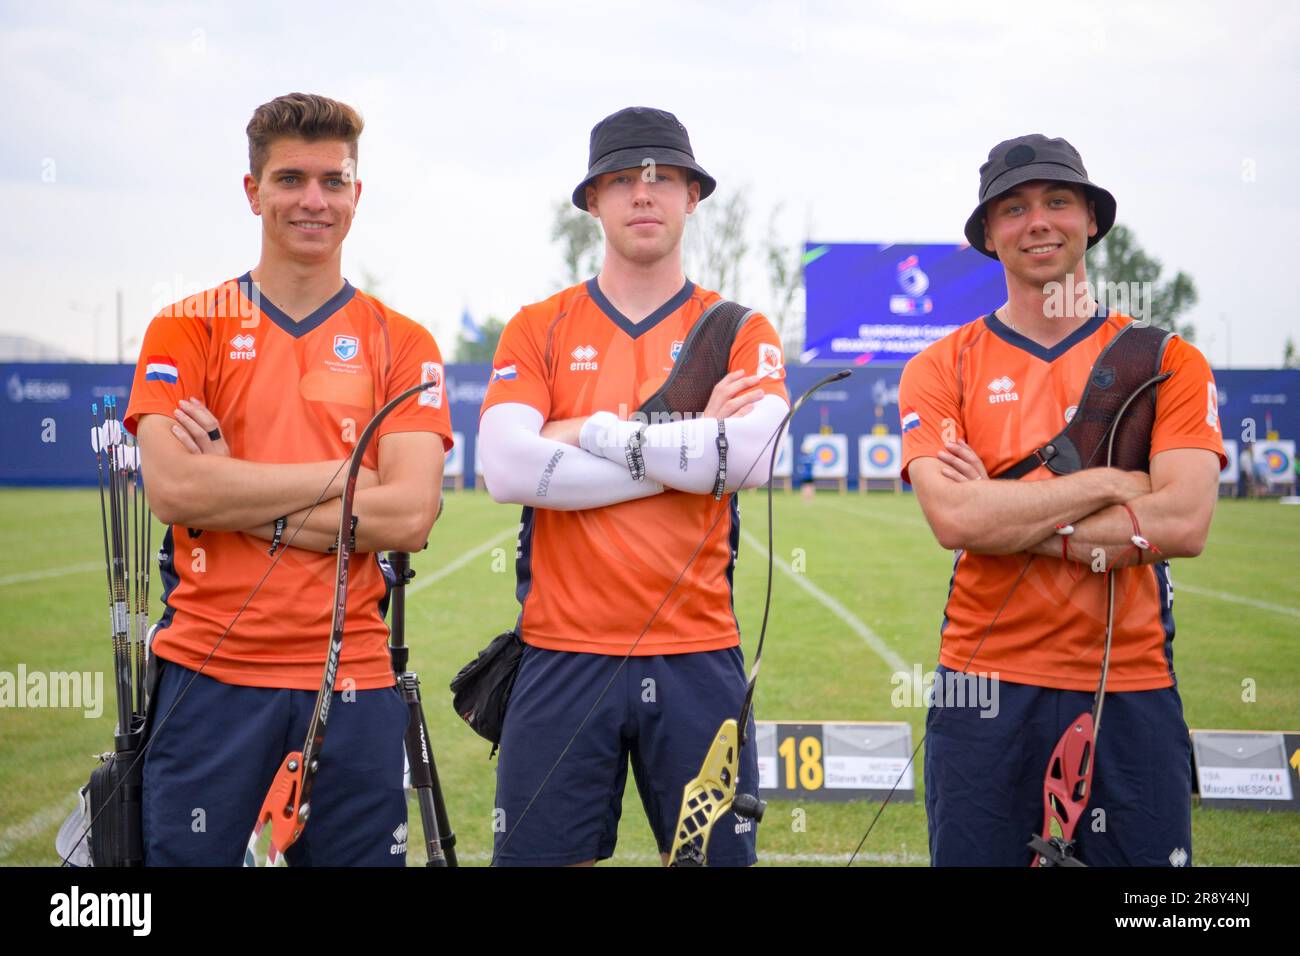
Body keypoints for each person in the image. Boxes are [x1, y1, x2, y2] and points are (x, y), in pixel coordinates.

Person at [124, 92, 453, 866]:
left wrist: (235, 489)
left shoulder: (402, 343)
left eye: (333, 181)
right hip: (208, 677)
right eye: (291, 179)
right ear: (253, 192)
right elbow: (174, 492)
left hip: (354, 682)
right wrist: (347, 476)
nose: (314, 199)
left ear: (356, 195)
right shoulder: (186, 325)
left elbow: (407, 514)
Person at [897, 134, 1224, 866]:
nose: (1036, 221)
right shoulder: (939, 365)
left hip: (1129, 683)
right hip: (983, 687)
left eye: (1056, 202)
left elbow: (1186, 520)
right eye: (1012, 209)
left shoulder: (1165, 359)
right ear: (989, 235)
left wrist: (1004, 514)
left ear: (1091, 221)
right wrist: (1113, 484)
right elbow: (955, 518)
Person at [478, 106, 790, 866]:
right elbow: (508, 469)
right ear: (593, 201)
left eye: (661, 180)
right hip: (560, 653)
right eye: (622, 180)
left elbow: (752, 459)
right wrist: (688, 459)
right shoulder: (539, 325)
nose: (643, 195)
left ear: (691, 196)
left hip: (697, 653)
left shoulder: (738, 328)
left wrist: (585, 430)